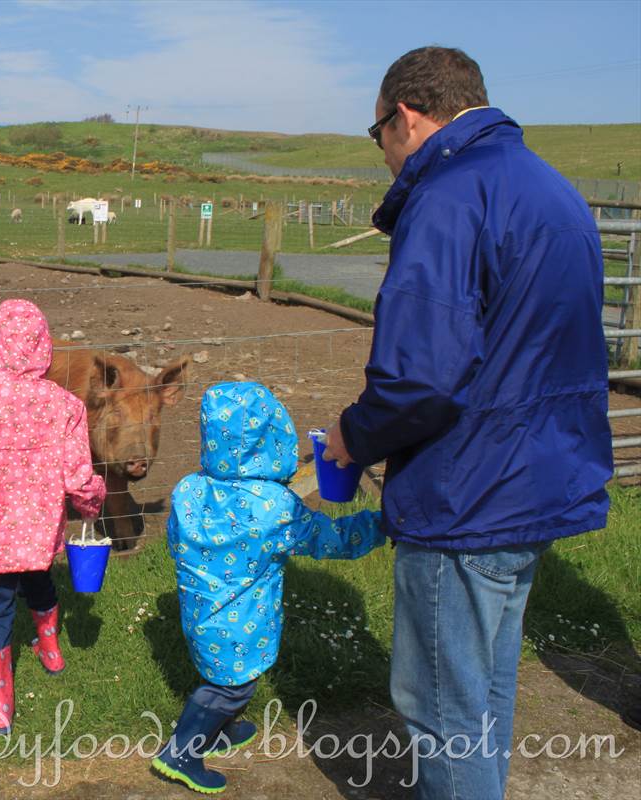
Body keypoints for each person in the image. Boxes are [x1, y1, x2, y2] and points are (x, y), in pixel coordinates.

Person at [322, 46, 613, 799]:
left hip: (467, 496)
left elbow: (420, 375)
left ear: (407, 117)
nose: (383, 154)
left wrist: (355, 433)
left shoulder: (449, 196)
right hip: (537, 481)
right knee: (484, 691)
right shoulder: (551, 190)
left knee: (442, 707)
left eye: (377, 133)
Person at [153, 382, 384, 794]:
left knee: (222, 674)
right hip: (243, 621)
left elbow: (174, 542)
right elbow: (326, 539)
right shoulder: (273, 506)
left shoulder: (188, 490)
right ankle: (181, 753)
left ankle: (219, 730)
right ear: (273, 438)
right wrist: (378, 525)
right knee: (231, 685)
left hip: (199, 613)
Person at [0, 299, 106, 736]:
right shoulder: (65, 406)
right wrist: (90, 506)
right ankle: (51, 650)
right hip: (41, 530)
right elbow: (79, 474)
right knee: (39, 580)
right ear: (43, 349)